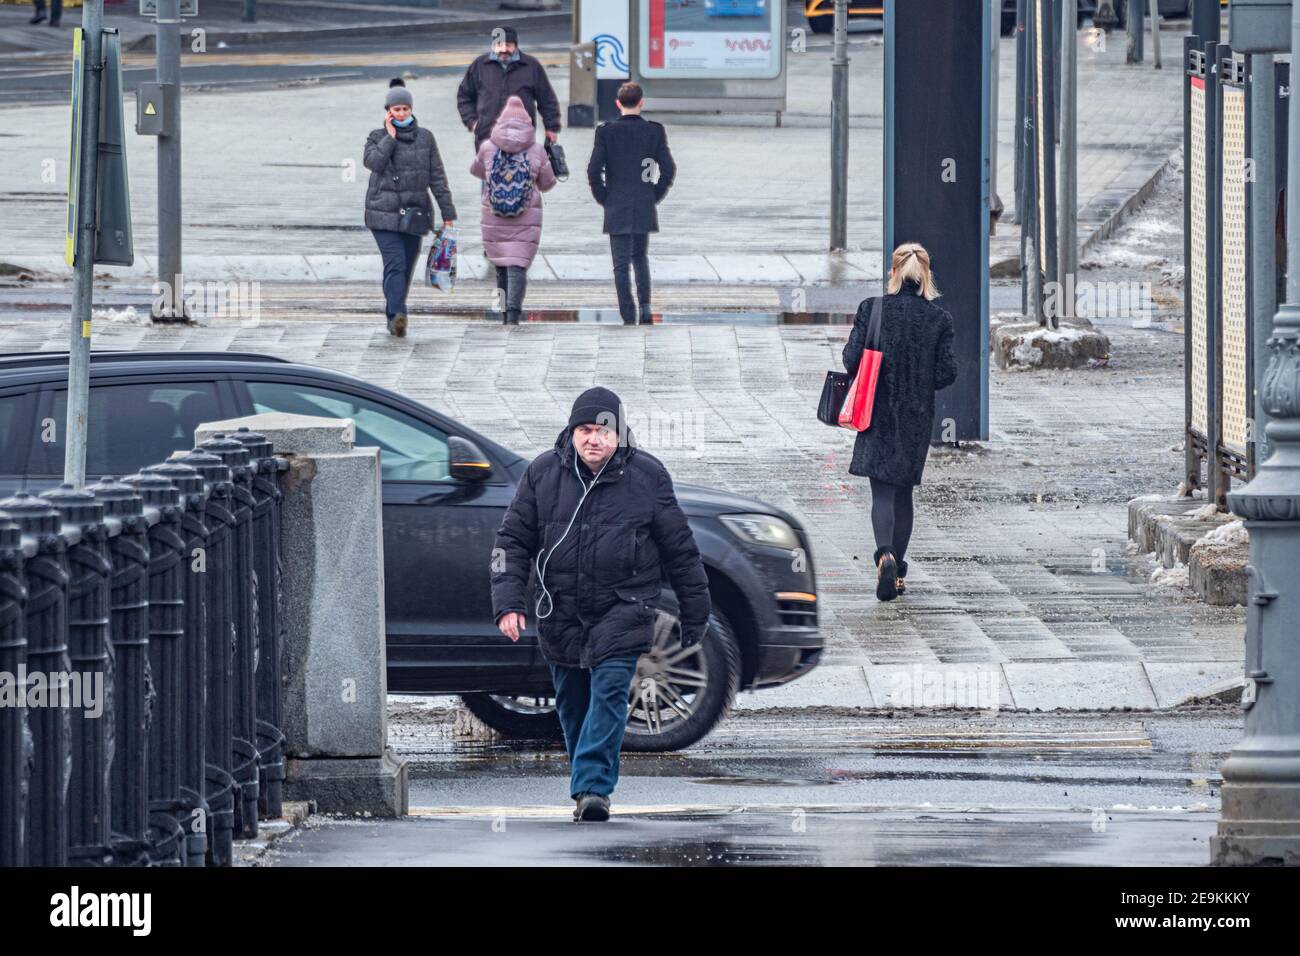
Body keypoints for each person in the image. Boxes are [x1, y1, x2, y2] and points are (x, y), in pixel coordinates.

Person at [490, 387, 711, 822]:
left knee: (609, 693)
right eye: (585, 430)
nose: (594, 439)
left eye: (603, 431)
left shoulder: (647, 476)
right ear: (572, 433)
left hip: (625, 604)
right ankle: (586, 785)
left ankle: (593, 790)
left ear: (620, 433)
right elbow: (511, 542)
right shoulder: (542, 474)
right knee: (572, 703)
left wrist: (696, 609)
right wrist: (508, 602)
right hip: (561, 607)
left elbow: (680, 549)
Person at [841, 242, 957, 602]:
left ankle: (884, 555)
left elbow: (850, 359)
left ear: (893, 273)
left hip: (875, 409)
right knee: (904, 491)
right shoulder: (939, 319)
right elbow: (946, 373)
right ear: (925, 277)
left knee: (882, 492)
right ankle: (898, 571)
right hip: (914, 415)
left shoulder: (872, 309)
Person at [363, 79, 456, 338]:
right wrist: (390, 139)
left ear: (411, 109)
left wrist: (448, 213)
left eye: (405, 109)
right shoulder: (376, 136)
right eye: (396, 109)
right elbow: (373, 163)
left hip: (415, 214)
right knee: (395, 263)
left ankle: (394, 311)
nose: (401, 113)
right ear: (388, 111)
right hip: (383, 213)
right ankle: (398, 315)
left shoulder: (425, 138)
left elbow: (437, 176)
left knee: (407, 265)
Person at [586, 82, 676, 326]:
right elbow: (668, 169)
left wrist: (603, 197)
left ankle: (628, 313)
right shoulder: (654, 131)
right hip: (643, 202)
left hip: (616, 203)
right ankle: (646, 308)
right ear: (641, 102)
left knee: (621, 264)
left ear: (618, 103)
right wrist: (654, 194)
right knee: (640, 258)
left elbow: (593, 170)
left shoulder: (606, 132)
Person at [471, 96, 556, 325]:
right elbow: (547, 183)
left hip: (494, 214)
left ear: (500, 121)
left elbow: (477, 171)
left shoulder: (488, 147)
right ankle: (513, 315)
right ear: (528, 124)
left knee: (500, 264)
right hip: (526, 215)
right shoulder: (537, 150)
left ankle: (500, 309)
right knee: (517, 265)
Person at [457, 25, 562, 153]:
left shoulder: (531, 66)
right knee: (490, 173)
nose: (504, 49)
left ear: (516, 45)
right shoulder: (479, 65)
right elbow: (464, 96)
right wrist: (473, 122)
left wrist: (551, 127)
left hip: (521, 139)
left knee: (520, 172)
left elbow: (547, 99)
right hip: (487, 138)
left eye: (508, 45)